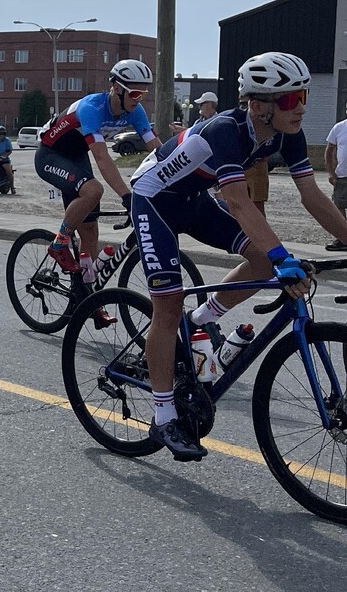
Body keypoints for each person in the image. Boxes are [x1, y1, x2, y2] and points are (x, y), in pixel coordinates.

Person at [129, 51, 347, 461]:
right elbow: (238, 201)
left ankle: (200, 321)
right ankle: (163, 416)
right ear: (259, 105)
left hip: (193, 199)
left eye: (303, 96)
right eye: (290, 99)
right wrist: (284, 256)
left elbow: (312, 194)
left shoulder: (288, 134)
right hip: (154, 199)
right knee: (168, 306)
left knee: (261, 261)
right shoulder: (224, 129)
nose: (300, 107)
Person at [36, 59, 159, 273]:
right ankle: (59, 244)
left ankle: (88, 289)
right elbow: (102, 157)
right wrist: (126, 196)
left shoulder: (135, 111)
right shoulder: (91, 108)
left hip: (76, 157)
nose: (138, 100)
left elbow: (156, 149)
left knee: (90, 231)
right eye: (134, 94)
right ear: (117, 88)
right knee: (94, 190)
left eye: (143, 94)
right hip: (51, 155)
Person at [326, 101, 347, 250]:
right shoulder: (339, 128)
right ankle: (343, 238)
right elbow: (329, 150)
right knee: (339, 206)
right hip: (342, 176)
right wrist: (331, 172)